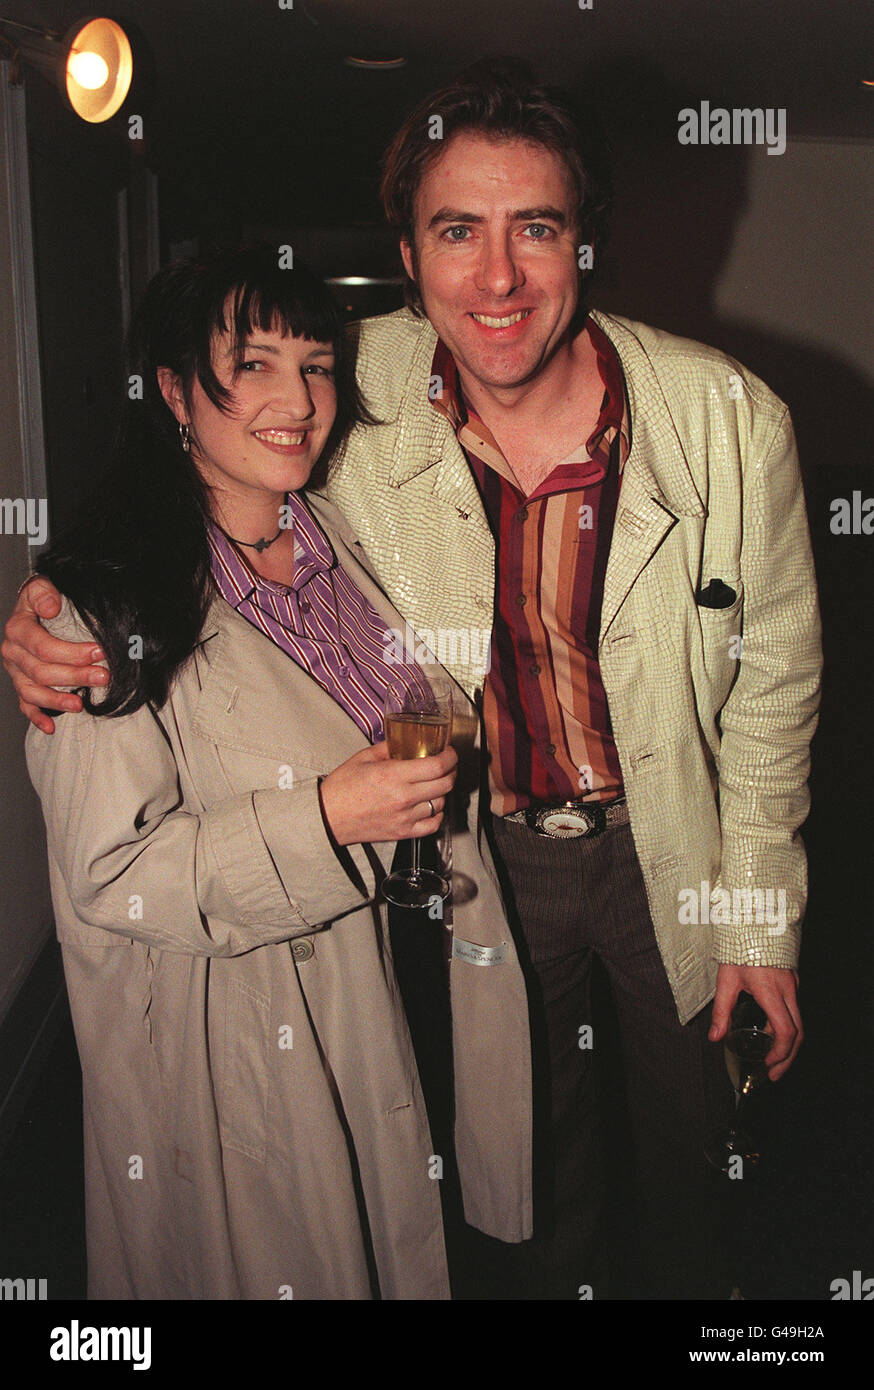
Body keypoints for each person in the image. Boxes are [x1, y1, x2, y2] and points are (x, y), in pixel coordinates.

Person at [4, 60, 822, 1299]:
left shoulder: (728, 421)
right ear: (409, 252)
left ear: (583, 244)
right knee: (523, 1173)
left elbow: (769, 695)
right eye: (457, 232)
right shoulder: (350, 380)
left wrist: (761, 921)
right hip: (486, 858)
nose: (495, 280)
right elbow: (199, 475)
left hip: (678, 848)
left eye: (534, 229)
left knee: (698, 1160)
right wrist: (55, 599)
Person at [6, 245, 533, 1300]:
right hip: (254, 1036)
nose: (299, 400)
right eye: (250, 365)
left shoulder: (327, 535)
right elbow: (115, 880)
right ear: (170, 391)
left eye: (316, 364)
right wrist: (328, 815)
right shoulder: (99, 609)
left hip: (412, 968)